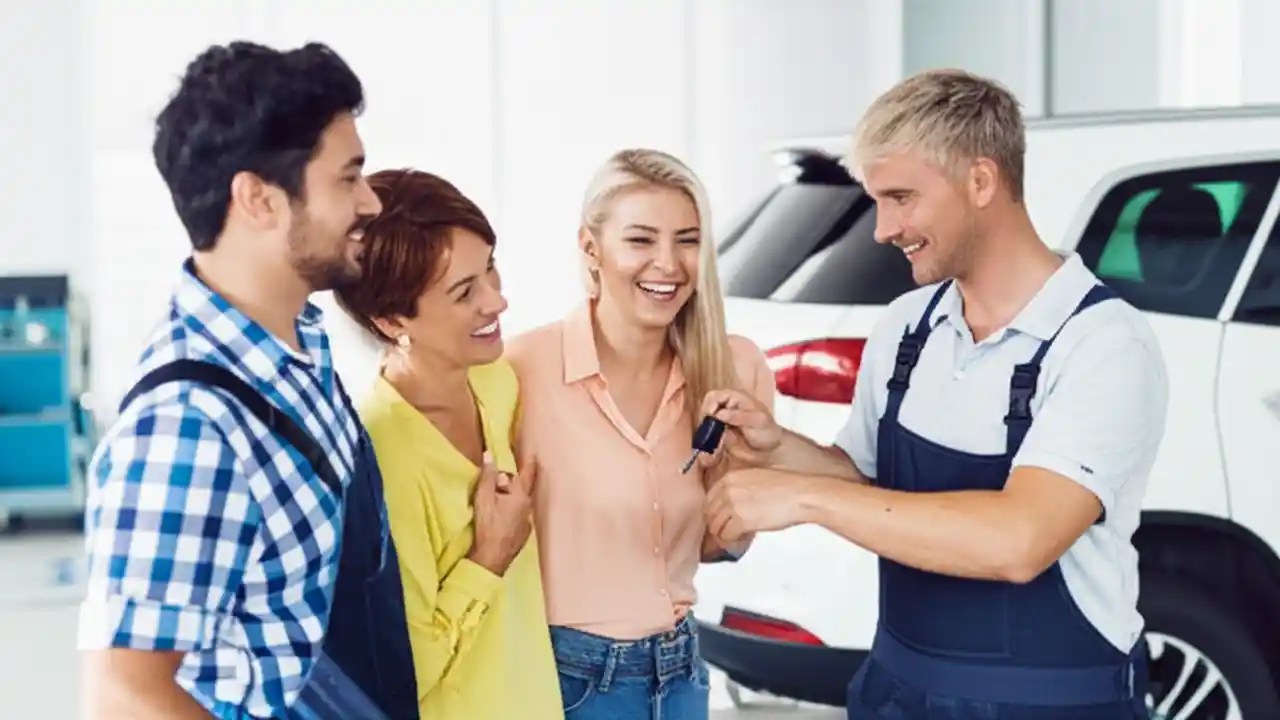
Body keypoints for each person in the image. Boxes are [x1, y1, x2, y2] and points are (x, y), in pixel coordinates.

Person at [700, 69, 1168, 718]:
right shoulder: (906, 329)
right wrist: (778, 448)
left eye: (901, 198)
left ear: (981, 180)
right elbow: (869, 483)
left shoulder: (1101, 345)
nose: (882, 229)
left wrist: (802, 496)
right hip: (898, 692)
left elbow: (1019, 541)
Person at [77, 41, 387, 719]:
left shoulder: (299, 343)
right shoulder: (187, 426)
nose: (370, 202)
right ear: (258, 200)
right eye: (348, 178)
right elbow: (126, 694)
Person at [505, 148, 776, 719]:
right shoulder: (520, 370)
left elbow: (717, 544)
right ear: (590, 248)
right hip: (567, 680)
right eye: (641, 240)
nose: (669, 264)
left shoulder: (735, 367)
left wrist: (748, 493)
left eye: (687, 239)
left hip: (682, 671)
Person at [331, 168, 563, 719]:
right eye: (465, 292)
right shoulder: (381, 453)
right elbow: (405, 668)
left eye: (490, 269)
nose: (496, 302)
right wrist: (489, 556)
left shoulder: (496, 383)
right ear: (390, 321)